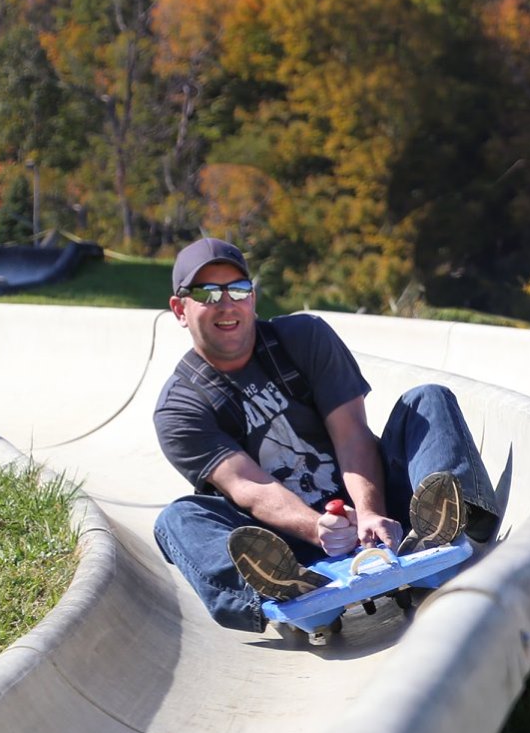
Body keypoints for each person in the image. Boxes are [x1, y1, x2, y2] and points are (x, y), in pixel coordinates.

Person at [152, 237, 499, 632]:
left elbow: (351, 434)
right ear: (180, 309)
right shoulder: (180, 408)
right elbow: (252, 489)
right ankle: (283, 590)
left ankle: (436, 531)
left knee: (428, 400)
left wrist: (371, 513)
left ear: (253, 298)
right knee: (177, 519)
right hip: (287, 549)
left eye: (238, 289)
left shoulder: (303, 338)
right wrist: (318, 530)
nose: (226, 303)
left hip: (385, 513)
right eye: (208, 293)